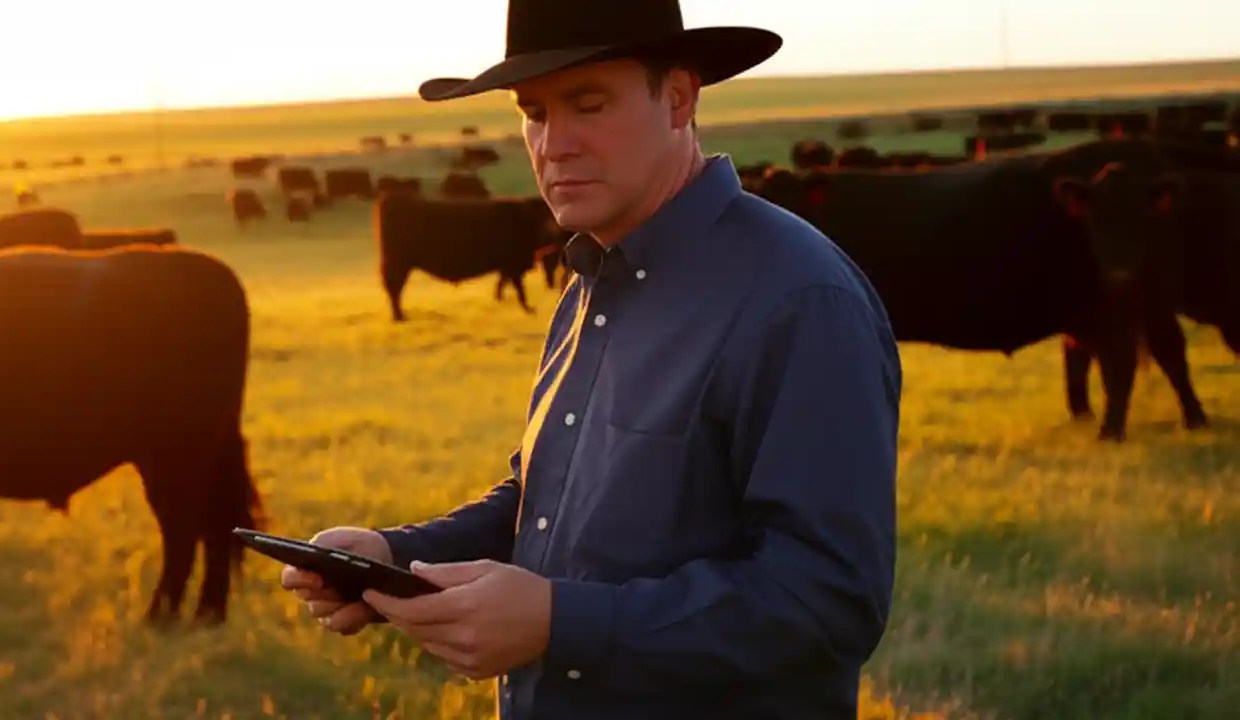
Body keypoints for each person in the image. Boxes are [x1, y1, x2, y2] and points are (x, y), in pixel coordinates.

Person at [281, 1, 902, 717]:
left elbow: (828, 603)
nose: (554, 143)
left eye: (588, 104)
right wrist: (394, 559)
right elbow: (543, 500)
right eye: (534, 112)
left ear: (677, 98)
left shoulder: (797, 299)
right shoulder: (593, 277)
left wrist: (559, 622)